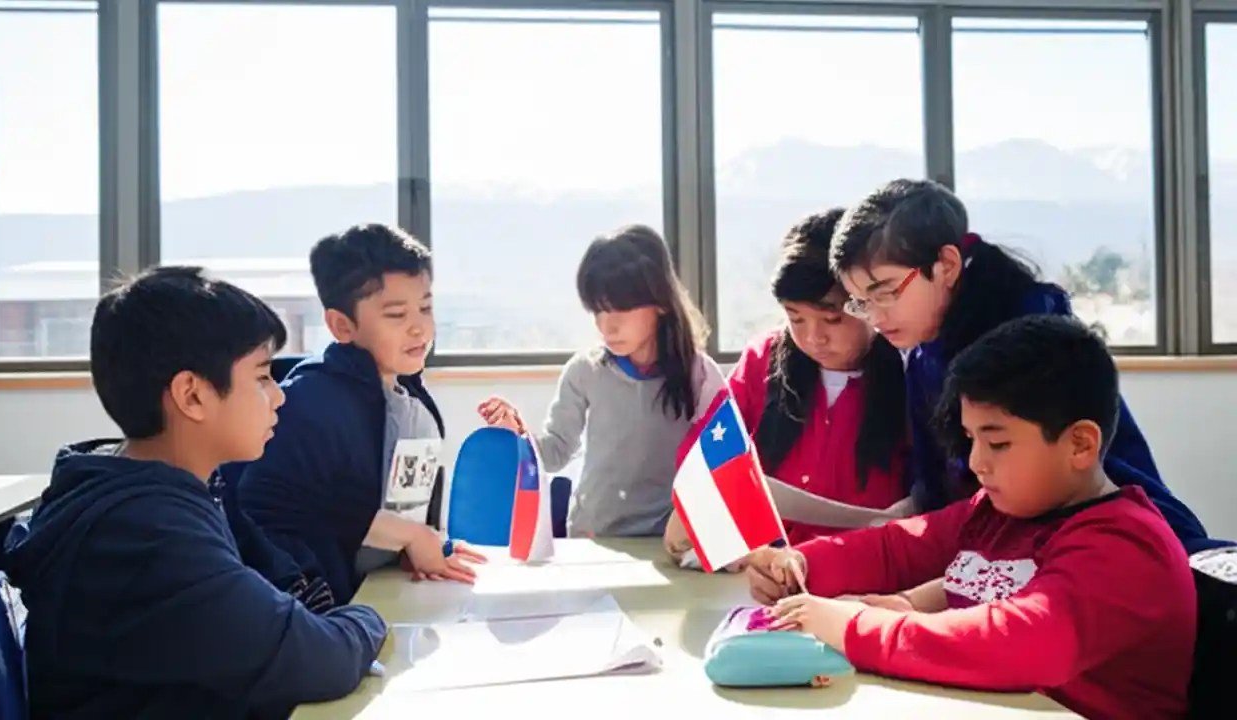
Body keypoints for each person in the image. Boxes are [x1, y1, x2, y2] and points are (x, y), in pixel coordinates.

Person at [747, 315, 1196, 720]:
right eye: (971, 439)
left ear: (1079, 444)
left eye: (997, 443)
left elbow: (1017, 645)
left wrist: (850, 627)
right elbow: (902, 546)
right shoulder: (1002, 511)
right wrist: (803, 566)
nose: (977, 463)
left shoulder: (1125, 547)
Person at [4, 267, 387, 719]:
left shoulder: (169, 490)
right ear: (192, 395)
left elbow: (286, 596)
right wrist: (372, 618)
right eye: (263, 377)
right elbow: (317, 659)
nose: (280, 397)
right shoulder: (146, 535)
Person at [828, 178, 1221, 553]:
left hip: (1100, 534)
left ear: (946, 265)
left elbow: (1042, 492)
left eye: (886, 292)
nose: (875, 317)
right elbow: (935, 489)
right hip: (1001, 543)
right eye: (860, 302)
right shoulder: (921, 353)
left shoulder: (1031, 343)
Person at [237, 224, 484, 606]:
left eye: (426, 307)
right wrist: (408, 536)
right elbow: (271, 506)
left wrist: (422, 543)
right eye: (397, 314)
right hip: (321, 610)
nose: (419, 326)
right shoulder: (310, 400)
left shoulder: (408, 393)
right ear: (342, 325)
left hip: (385, 592)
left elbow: (398, 505)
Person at [663, 209, 908, 562]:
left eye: (832, 319)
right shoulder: (764, 360)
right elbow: (704, 457)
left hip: (866, 571)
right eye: (795, 318)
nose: (813, 337)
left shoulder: (909, 369)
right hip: (765, 570)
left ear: (866, 301)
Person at [479, 224, 725, 537]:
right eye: (598, 311)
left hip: (666, 542)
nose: (607, 326)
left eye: (621, 309)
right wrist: (517, 436)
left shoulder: (701, 376)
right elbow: (554, 454)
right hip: (593, 538)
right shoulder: (584, 371)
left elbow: (722, 466)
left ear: (661, 302)